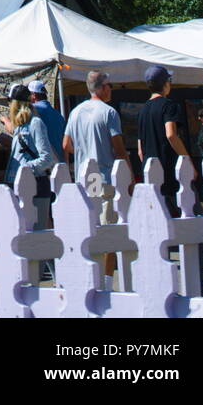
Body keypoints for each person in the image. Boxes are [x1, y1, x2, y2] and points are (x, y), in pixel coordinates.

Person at [63, 70, 130, 284]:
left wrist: (84, 153)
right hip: (105, 176)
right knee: (108, 230)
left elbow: (66, 145)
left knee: (89, 230)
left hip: (85, 177)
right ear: (102, 87)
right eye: (109, 85)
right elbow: (119, 149)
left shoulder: (75, 112)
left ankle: (90, 277)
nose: (111, 89)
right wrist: (129, 176)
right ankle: (107, 281)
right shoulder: (108, 112)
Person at [137, 65, 188, 216]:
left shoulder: (142, 111)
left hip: (151, 175)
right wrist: (187, 159)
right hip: (170, 174)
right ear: (166, 84)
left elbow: (140, 151)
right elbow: (171, 135)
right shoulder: (169, 106)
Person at [29, 80, 66, 163]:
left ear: (33, 95)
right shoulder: (58, 115)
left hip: (42, 163)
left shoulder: (31, 110)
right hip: (60, 163)